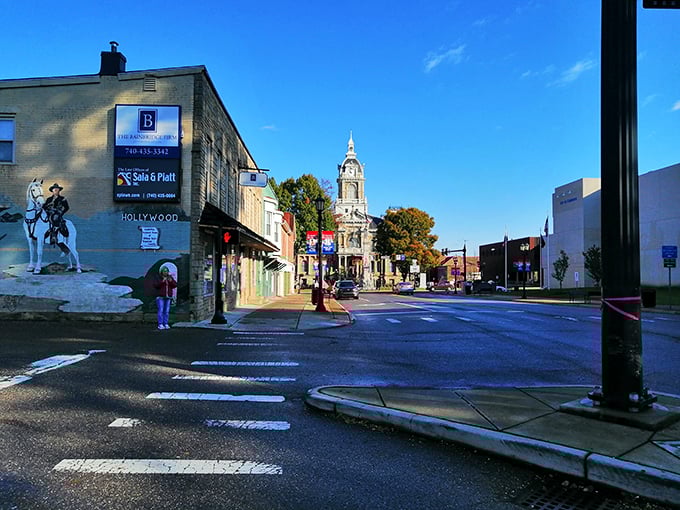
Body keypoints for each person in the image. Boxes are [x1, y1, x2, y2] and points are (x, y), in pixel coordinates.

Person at [44, 183, 70, 249]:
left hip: (57, 215)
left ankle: (54, 237)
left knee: (55, 218)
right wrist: (47, 209)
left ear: (59, 190)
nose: (55, 190)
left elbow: (67, 207)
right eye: (54, 189)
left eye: (57, 189)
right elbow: (44, 207)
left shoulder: (62, 198)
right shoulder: (49, 199)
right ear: (52, 190)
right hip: (49, 214)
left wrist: (61, 212)